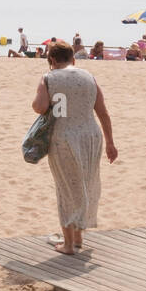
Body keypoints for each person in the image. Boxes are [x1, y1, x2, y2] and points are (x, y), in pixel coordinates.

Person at [31, 40, 118, 255]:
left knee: (67, 187)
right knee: (85, 184)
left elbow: (39, 107)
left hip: (64, 137)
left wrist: (51, 103)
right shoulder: (89, 77)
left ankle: (68, 244)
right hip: (91, 135)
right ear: (73, 58)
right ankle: (78, 239)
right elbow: (103, 112)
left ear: (51, 60)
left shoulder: (48, 78)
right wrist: (110, 143)